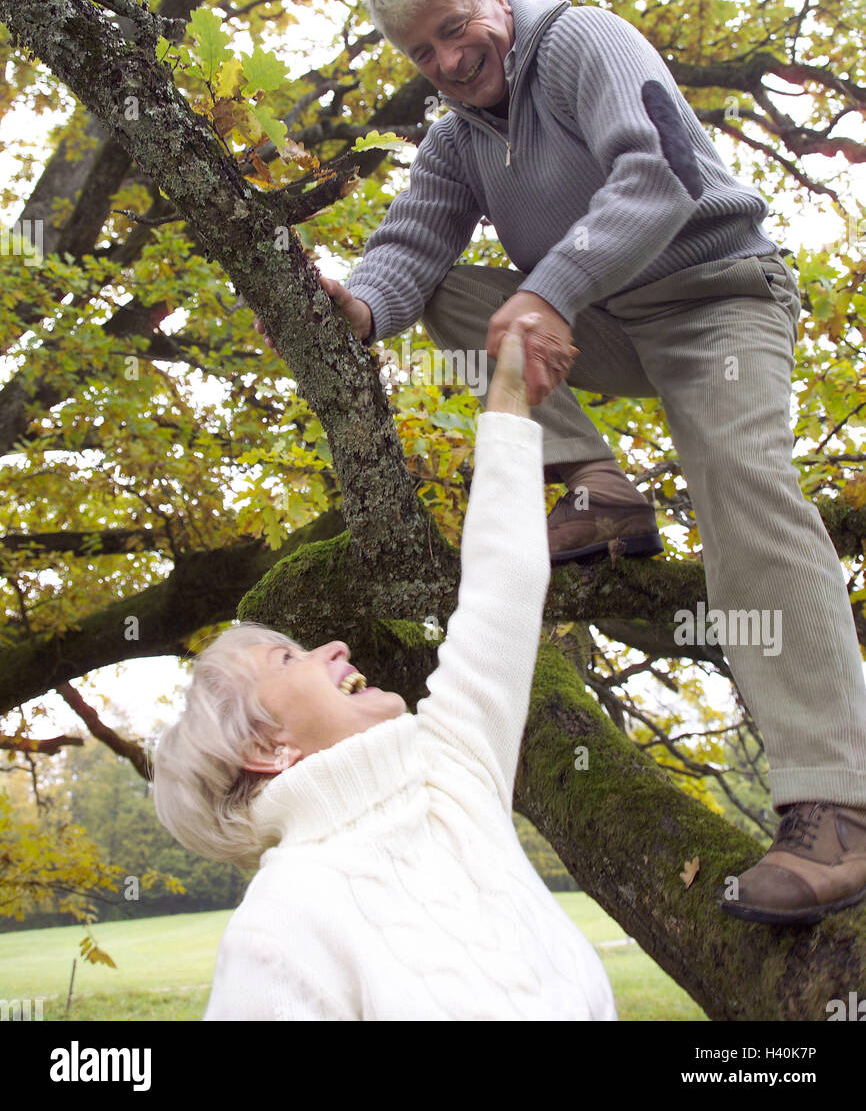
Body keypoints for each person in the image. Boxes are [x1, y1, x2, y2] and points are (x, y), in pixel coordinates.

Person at [255, 0, 866, 926]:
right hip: (606, 321)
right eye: (422, 52)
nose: (449, 60)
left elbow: (658, 174)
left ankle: (836, 803)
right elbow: (409, 247)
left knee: (742, 494)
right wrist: (350, 308)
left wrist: (550, 288)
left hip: (717, 299)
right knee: (449, 292)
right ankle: (598, 486)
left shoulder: (586, 41)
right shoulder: (457, 140)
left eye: (456, 28)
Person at [153, 314, 618, 1021]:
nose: (336, 648)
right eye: (290, 658)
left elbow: (504, 588)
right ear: (265, 747)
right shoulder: (278, 931)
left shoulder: (454, 775)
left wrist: (509, 396)